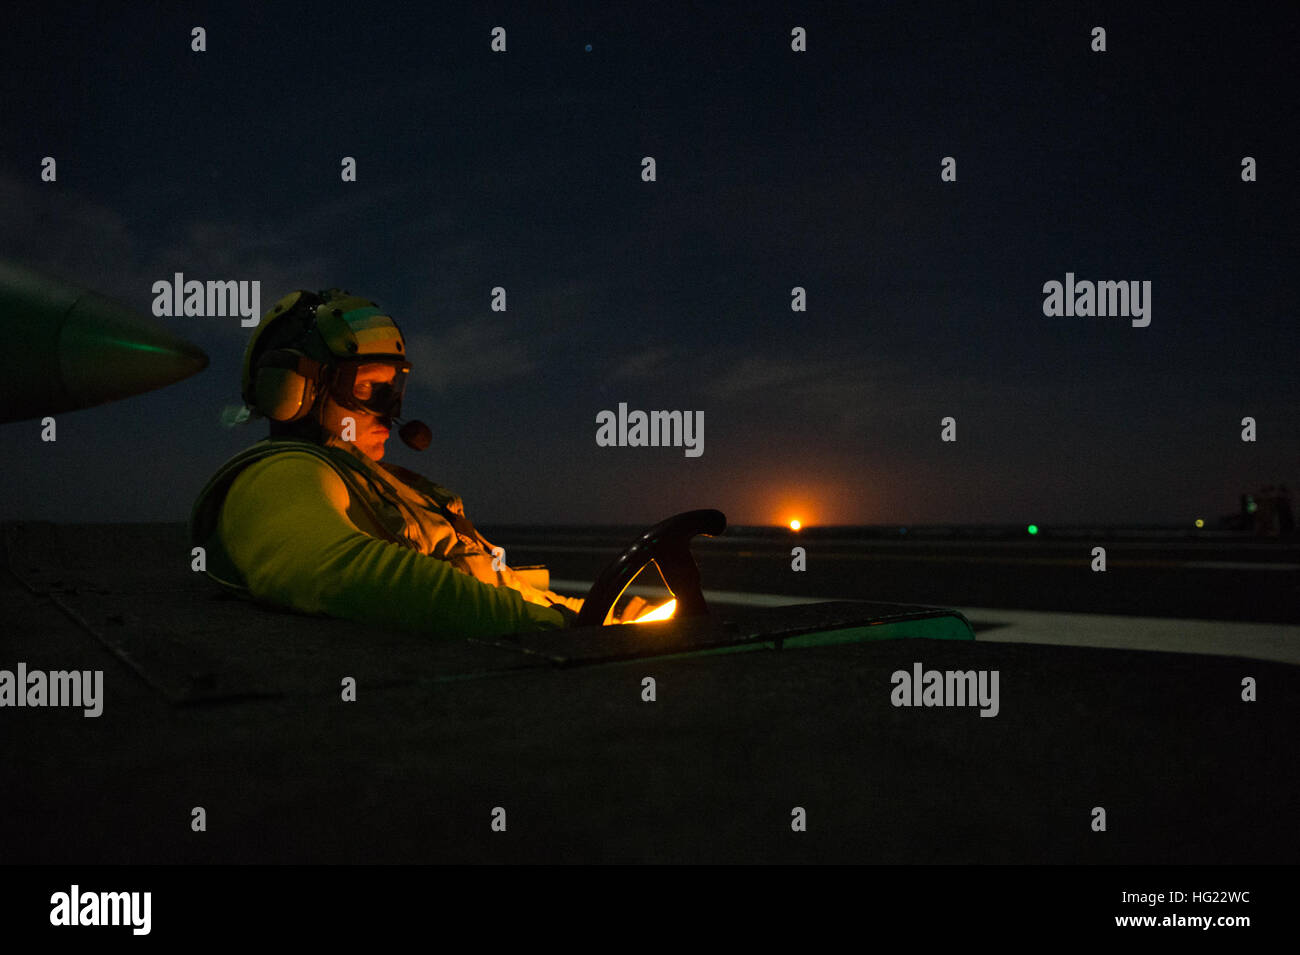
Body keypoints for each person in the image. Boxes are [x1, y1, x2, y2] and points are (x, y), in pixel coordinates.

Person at [191, 287, 609, 638]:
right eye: (369, 387)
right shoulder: (283, 473)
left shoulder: (372, 482)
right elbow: (336, 572)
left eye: (393, 390)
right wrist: (539, 623)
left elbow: (499, 583)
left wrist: (605, 614)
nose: (390, 410)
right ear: (294, 389)